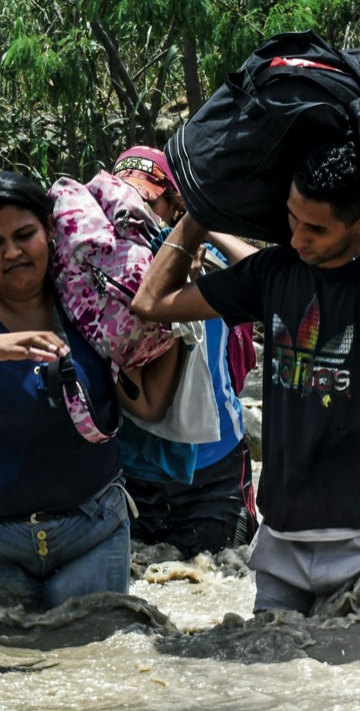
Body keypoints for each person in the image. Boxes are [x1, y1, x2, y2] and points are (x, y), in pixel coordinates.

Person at [132, 85, 360, 614]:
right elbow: (151, 302)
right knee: (278, 690)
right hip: (283, 543)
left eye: (317, 229)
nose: (298, 238)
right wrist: (200, 211)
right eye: (293, 220)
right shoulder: (275, 273)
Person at [0, 171, 180, 609]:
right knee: (4, 673)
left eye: (24, 234)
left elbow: (144, 403)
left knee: (89, 670)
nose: (12, 252)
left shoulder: (87, 299)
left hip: (94, 531)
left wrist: (177, 327)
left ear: (50, 230)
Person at [104, 147, 260, 556]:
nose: (131, 211)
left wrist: (200, 222)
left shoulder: (213, 266)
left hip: (213, 474)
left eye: (146, 201)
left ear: (173, 205)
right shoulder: (96, 272)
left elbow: (272, 281)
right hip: (131, 473)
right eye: (123, 198)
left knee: (220, 580)